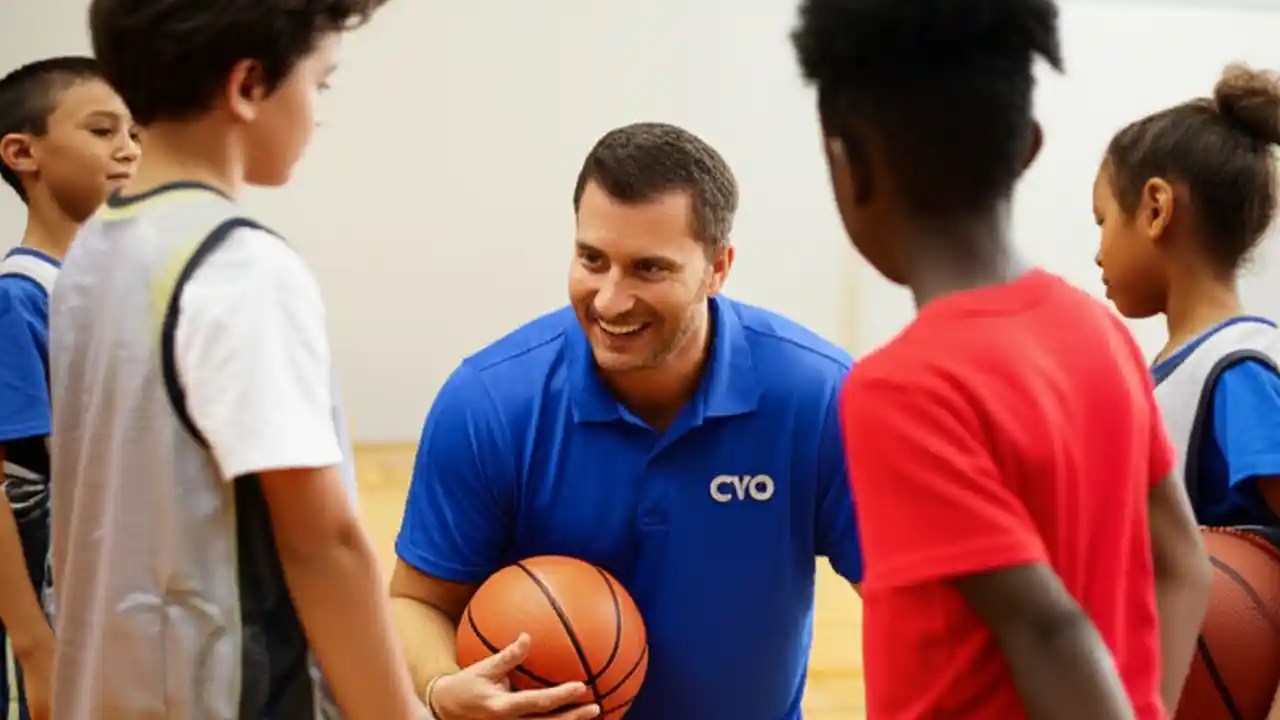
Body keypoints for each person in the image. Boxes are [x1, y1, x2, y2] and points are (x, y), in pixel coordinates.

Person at [791, 1, 1213, 718]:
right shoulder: (1097, 333)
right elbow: (1184, 565)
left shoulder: (901, 389)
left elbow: (1049, 630)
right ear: (1027, 147)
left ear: (850, 166)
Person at [390, 121, 863, 720]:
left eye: (649, 269)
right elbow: (416, 602)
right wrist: (440, 688)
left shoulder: (818, 397)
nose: (611, 300)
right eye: (592, 259)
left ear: (718, 267)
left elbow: (909, 606)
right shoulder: (489, 403)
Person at [47, 1, 423, 718]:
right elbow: (325, 545)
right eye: (322, 85)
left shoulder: (93, 250)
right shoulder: (239, 267)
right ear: (248, 85)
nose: (319, 113)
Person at [1093, 62, 1280, 717]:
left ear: (1155, 208)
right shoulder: (1166, 373)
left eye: (1101, 221)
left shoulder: (1242, 369)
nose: (1096, 255)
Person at [0, 55, 140, 720]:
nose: (128, 148)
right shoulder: (20, 300)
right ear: (22, 152)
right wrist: (36, 650)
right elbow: (7, 488)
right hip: (64, 638)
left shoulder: (117, 296)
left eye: (135, 133)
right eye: (102, 130)